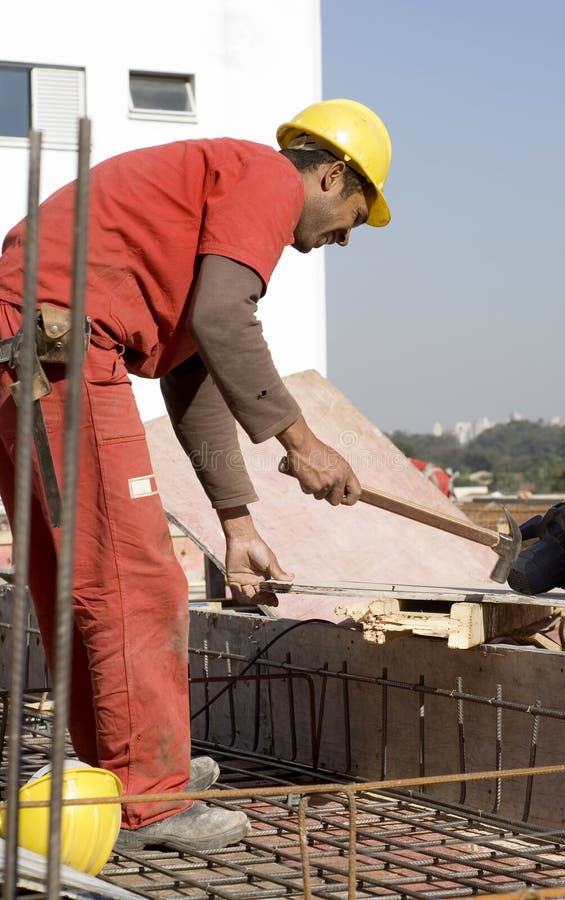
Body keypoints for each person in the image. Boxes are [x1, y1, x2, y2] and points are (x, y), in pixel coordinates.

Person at [0, 99, 392, 852]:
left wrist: (237, 525)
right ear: (332, 173)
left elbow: (196, 371)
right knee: (137, 583)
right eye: (353, 214)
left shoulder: (211, 192)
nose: (344, 238)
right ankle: (153, 798)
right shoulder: (267, 180)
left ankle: (130, 768)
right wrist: (304, 443)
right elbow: (224, 322)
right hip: (60, 351)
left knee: (81, 578)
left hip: (29, 350)